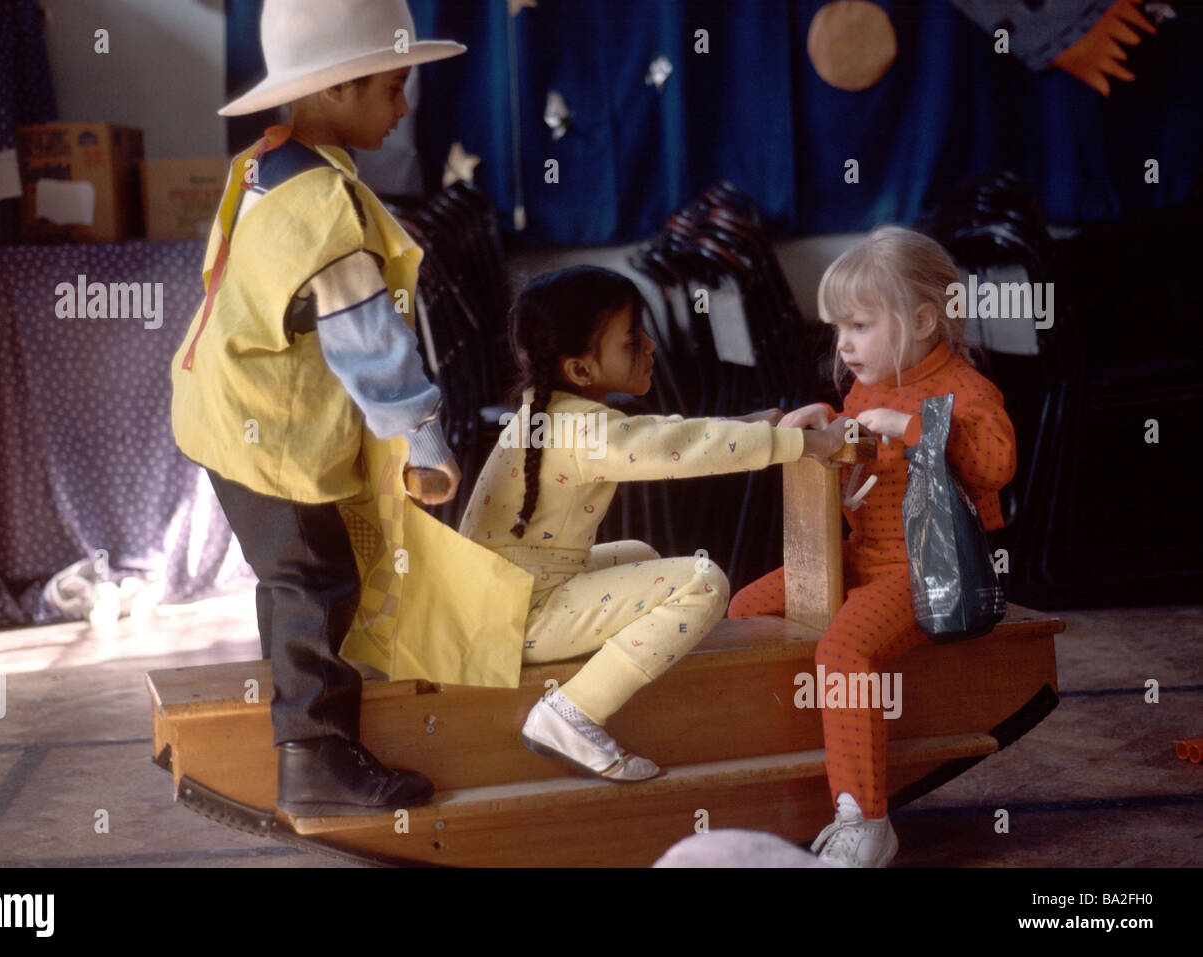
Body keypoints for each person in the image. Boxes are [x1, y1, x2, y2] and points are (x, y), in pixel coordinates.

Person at [170, 0, 471, 817]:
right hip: (267, 431)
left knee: (292, 576)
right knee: (313, 580)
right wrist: (422, 439)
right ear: (338, 91)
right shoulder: (325, 211)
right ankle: (315, 756)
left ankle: (307, 724)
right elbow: (369, 345)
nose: (404, 107)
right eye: (392, 89)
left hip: (221, 409)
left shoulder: (267, 163)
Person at [459, 266, 849, 781]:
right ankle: (570, 713)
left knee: (641, 554)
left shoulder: (553, 411)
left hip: (502, 606)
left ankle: (610, 671)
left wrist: (759, 425)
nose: (650, 346)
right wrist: (808, 444)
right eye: (631, 340)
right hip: (514, 624)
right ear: (580, 370)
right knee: (703, 580)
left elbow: (663, 435)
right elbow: (677, 451)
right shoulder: (583, 430)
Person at [728, 225, 1017, 866]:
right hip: (864, 556)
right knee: (746, 609)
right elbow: (865, 453)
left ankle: (866, 818)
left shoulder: (967, 391)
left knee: (845, 647)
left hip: (929, 570)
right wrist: (826, 427)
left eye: (858, 326)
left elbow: (997, 463)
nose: (844, 344)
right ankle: (793, 763)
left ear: (920, 320)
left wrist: (914, 428)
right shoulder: (870, 385)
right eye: (838, 329)